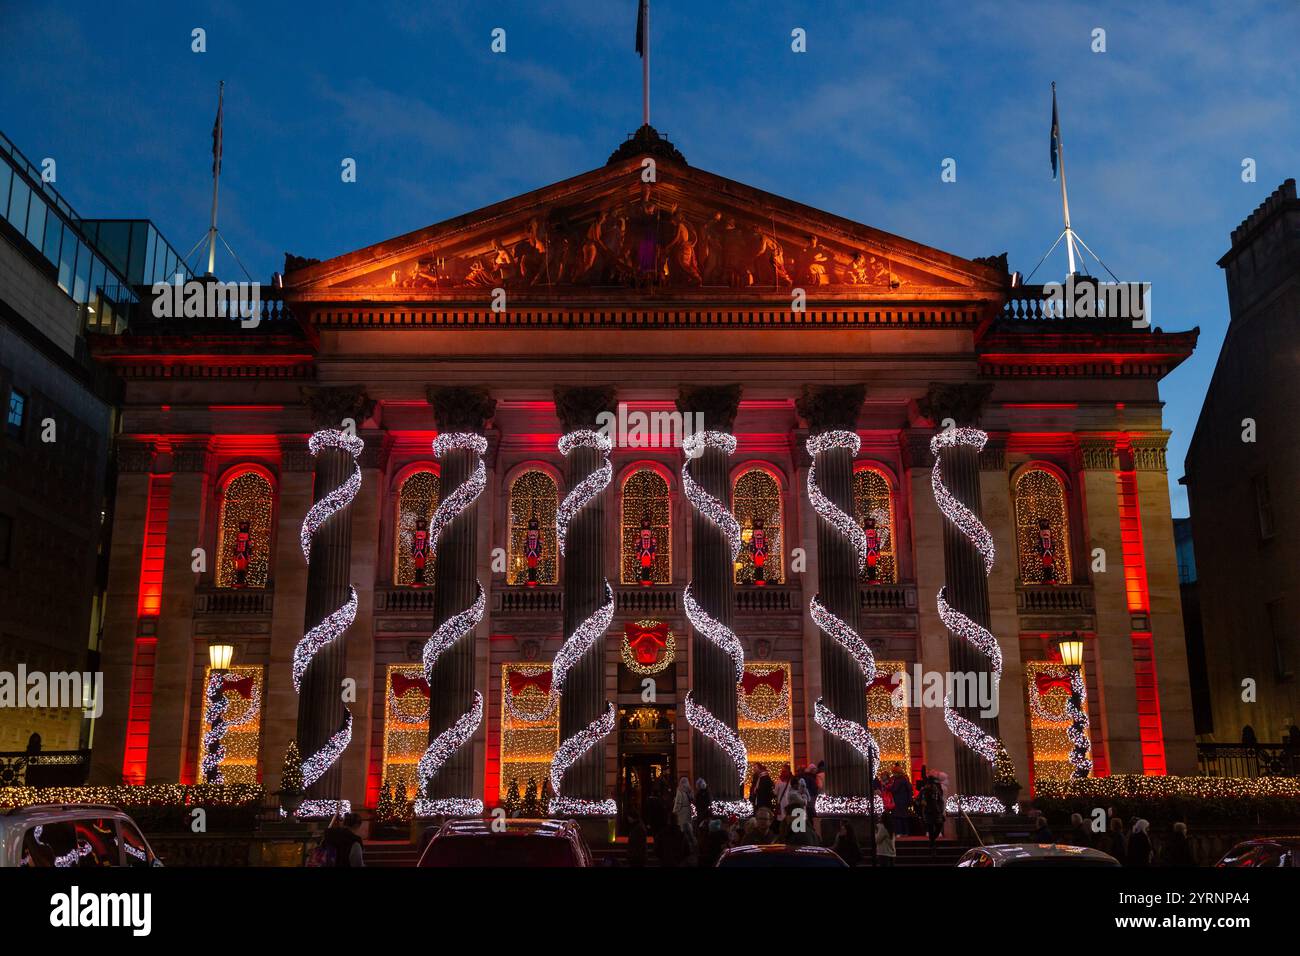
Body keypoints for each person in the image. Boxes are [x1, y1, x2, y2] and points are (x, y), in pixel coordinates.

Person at [919, 774, 945, 853]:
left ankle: (932, 841)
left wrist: (940, 808)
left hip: (935, 810)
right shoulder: (925, 790)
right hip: (929, 811)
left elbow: (940, 799)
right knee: (932, 827)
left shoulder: (936, 789)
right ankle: (932, 843)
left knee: (938, 825)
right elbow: (921, 800)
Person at [672, 776, 694, 847]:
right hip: (688, 809)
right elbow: (692, 799)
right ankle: (690, 842)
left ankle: (682, 843)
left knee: (681, 827)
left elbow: (678, 802)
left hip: (681, 811)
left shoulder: (680, 790)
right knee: (688, 826)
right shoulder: (689, 790)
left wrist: (674, 811)